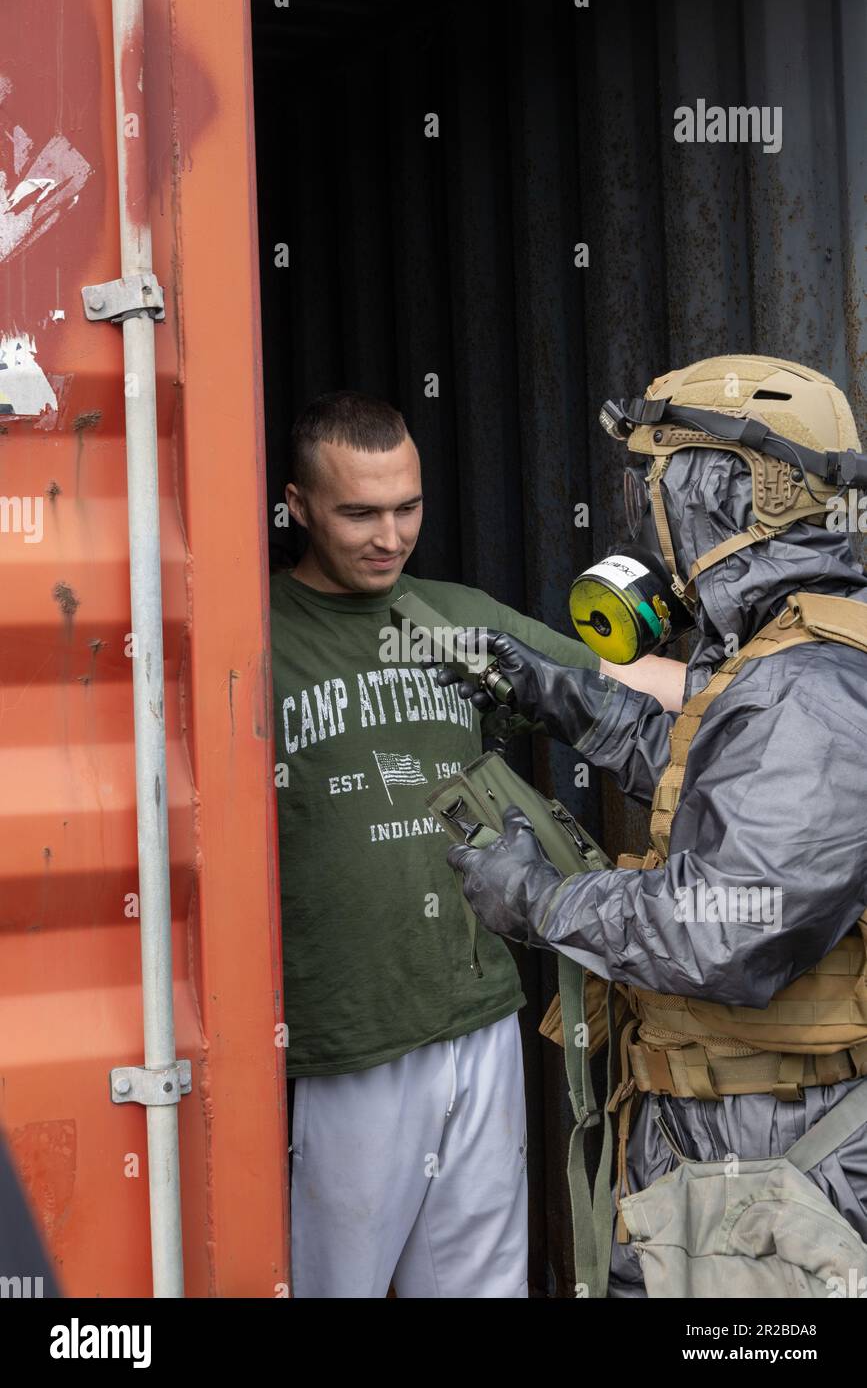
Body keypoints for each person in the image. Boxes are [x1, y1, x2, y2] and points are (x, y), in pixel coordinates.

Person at [445, 355, 867, 1296]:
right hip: (740, 1130)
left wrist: (543, 900)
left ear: (719, 493)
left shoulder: (810, 685)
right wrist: (561, 699)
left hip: (772, 1144)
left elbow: (726, 929)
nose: (647, 527)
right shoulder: (787, 649)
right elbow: (728, 785)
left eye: (654, 493)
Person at [270, 389, 684, 1298]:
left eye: (406, 507)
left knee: (480, 1288)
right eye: (358, 512)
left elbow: (629, 683)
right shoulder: (250, 636)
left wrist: (804, 677)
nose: (390, 536)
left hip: (479, 1017)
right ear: (295, 506)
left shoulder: (451, 619)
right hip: (347, 1044)